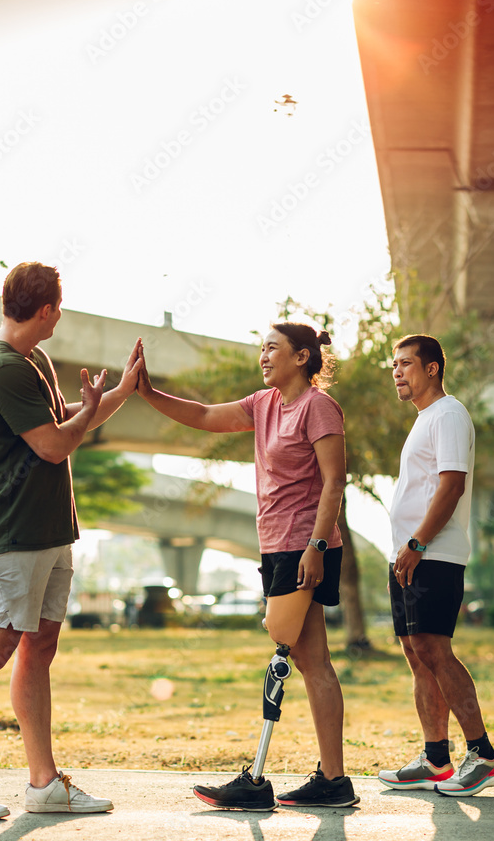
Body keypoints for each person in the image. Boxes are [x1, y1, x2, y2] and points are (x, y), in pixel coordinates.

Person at [0, 262, 141, 820]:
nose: (60, 315)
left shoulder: (36, 359)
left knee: (39, 649)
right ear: (47, 310)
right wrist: (94, 412)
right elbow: (54, 446)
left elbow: (66, 423)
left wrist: (118, 392)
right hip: (14, 534)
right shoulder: (2, 366)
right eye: (60, 306)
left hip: (51, 531)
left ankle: (44, 783)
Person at [132, 322, 359, 812]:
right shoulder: (264, 404)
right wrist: (147, 392)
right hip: (277, 545)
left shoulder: (318, 407)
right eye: (261, 348)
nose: (262, 355)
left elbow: (335, 481)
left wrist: (317, 546)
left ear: (301, 357)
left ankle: (256, 781)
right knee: (311, 660)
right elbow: (202, 415)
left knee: (283, 642)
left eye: (272, 348)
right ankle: (334, 781)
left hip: (305, 544)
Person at [379, 334, 494, 798]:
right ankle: (436, 757)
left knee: (435, 650)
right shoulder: (425, 419)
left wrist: (417, 541)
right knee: (418, 656)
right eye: (393, 365)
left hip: (433, 553)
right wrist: (404, 548)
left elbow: (451, 485)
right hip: (410, 555)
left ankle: (484, 756)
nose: (397, 372)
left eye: (406, 363)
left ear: (432, 368)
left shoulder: (449, 414)